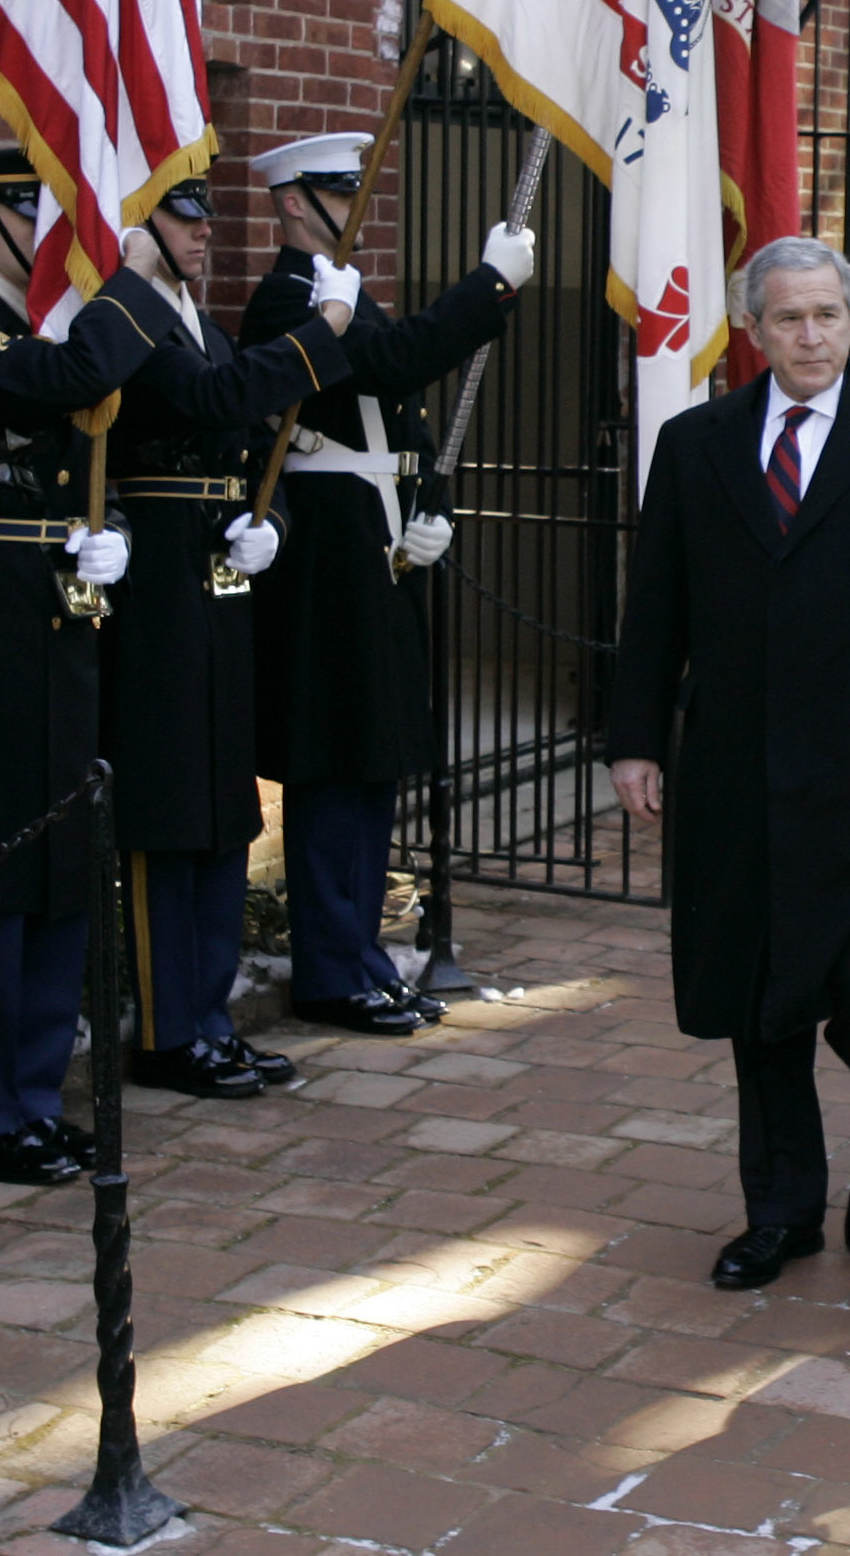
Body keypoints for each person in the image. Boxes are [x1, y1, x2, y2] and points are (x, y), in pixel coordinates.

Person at [607, 237, 850, 1291]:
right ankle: (780, 1209)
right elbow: (657, 609)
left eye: (826, 314)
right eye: (788, 318)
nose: (809, 335)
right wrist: (637, 737)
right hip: (731, 768)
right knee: (758, 997)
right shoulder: (696, 444)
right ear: (754, 329)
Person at [0, 146, 169, 1185]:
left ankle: (33, 1091)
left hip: (59, 609)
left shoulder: (50, 319)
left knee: (61, 864)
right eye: (35, 214)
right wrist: (130, 274)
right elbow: (77, 378)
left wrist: (104, 535)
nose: (59, 238)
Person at [238, 132, 533, 1037]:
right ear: (293, 203)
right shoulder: (290, 297)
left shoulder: (338, 290)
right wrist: (491, 285)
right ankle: (330, 968)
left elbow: (398, 414)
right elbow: (399, 360)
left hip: (372, 537)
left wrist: (427, 498)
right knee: (335, 762)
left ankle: (361, 951)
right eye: (336, 192)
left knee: (372, 762)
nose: (353, 204)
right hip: (328, 554)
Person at [100, 175, 357, 1100]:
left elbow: (259, 451)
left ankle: (209, 1014)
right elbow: (217, 399)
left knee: (223, 805)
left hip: (219, 585)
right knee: (171, 809)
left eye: (207, 219)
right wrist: (321, 332)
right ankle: (171, 1029)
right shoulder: (134, 327)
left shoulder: (195, 323)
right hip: (161, 586)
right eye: (181, 217)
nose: (203, 235)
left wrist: (274, 525)